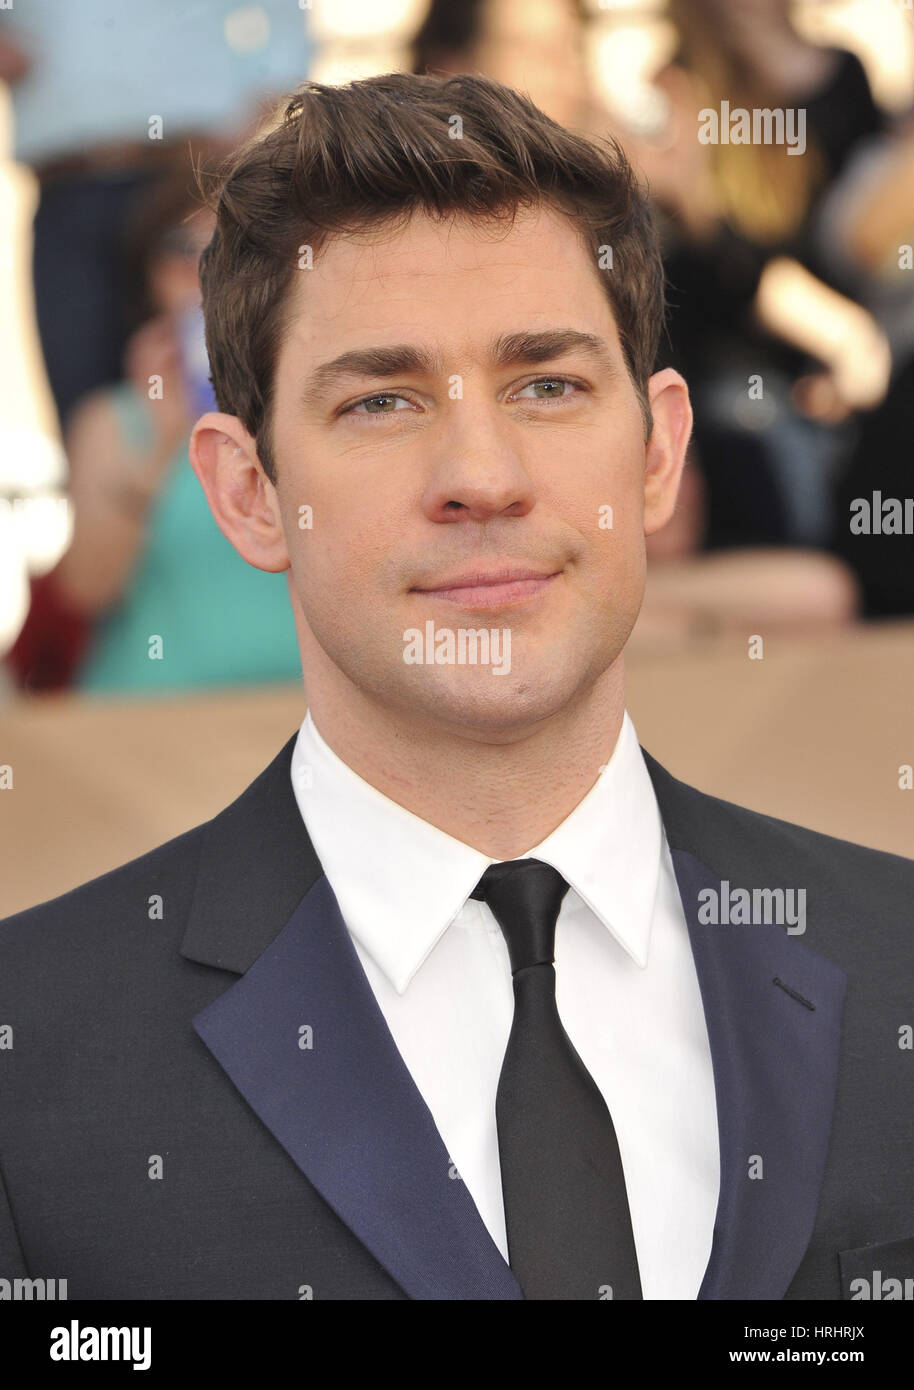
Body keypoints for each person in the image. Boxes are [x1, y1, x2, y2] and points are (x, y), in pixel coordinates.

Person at [0, 72, 911, 1301]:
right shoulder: (33, 1055)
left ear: (655, 453)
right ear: (248, 493)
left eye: (546, 384)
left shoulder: (893, 956)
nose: (481, 475)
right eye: (382, 399)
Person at [46, 165, 302, 695]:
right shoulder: (113, 418)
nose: (204, 272)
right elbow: (87, 590)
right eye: (181, 249)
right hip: (151, 713)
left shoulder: (320, 403)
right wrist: (160, 450)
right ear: (148, 274)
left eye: (229, 249)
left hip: (305, 716)